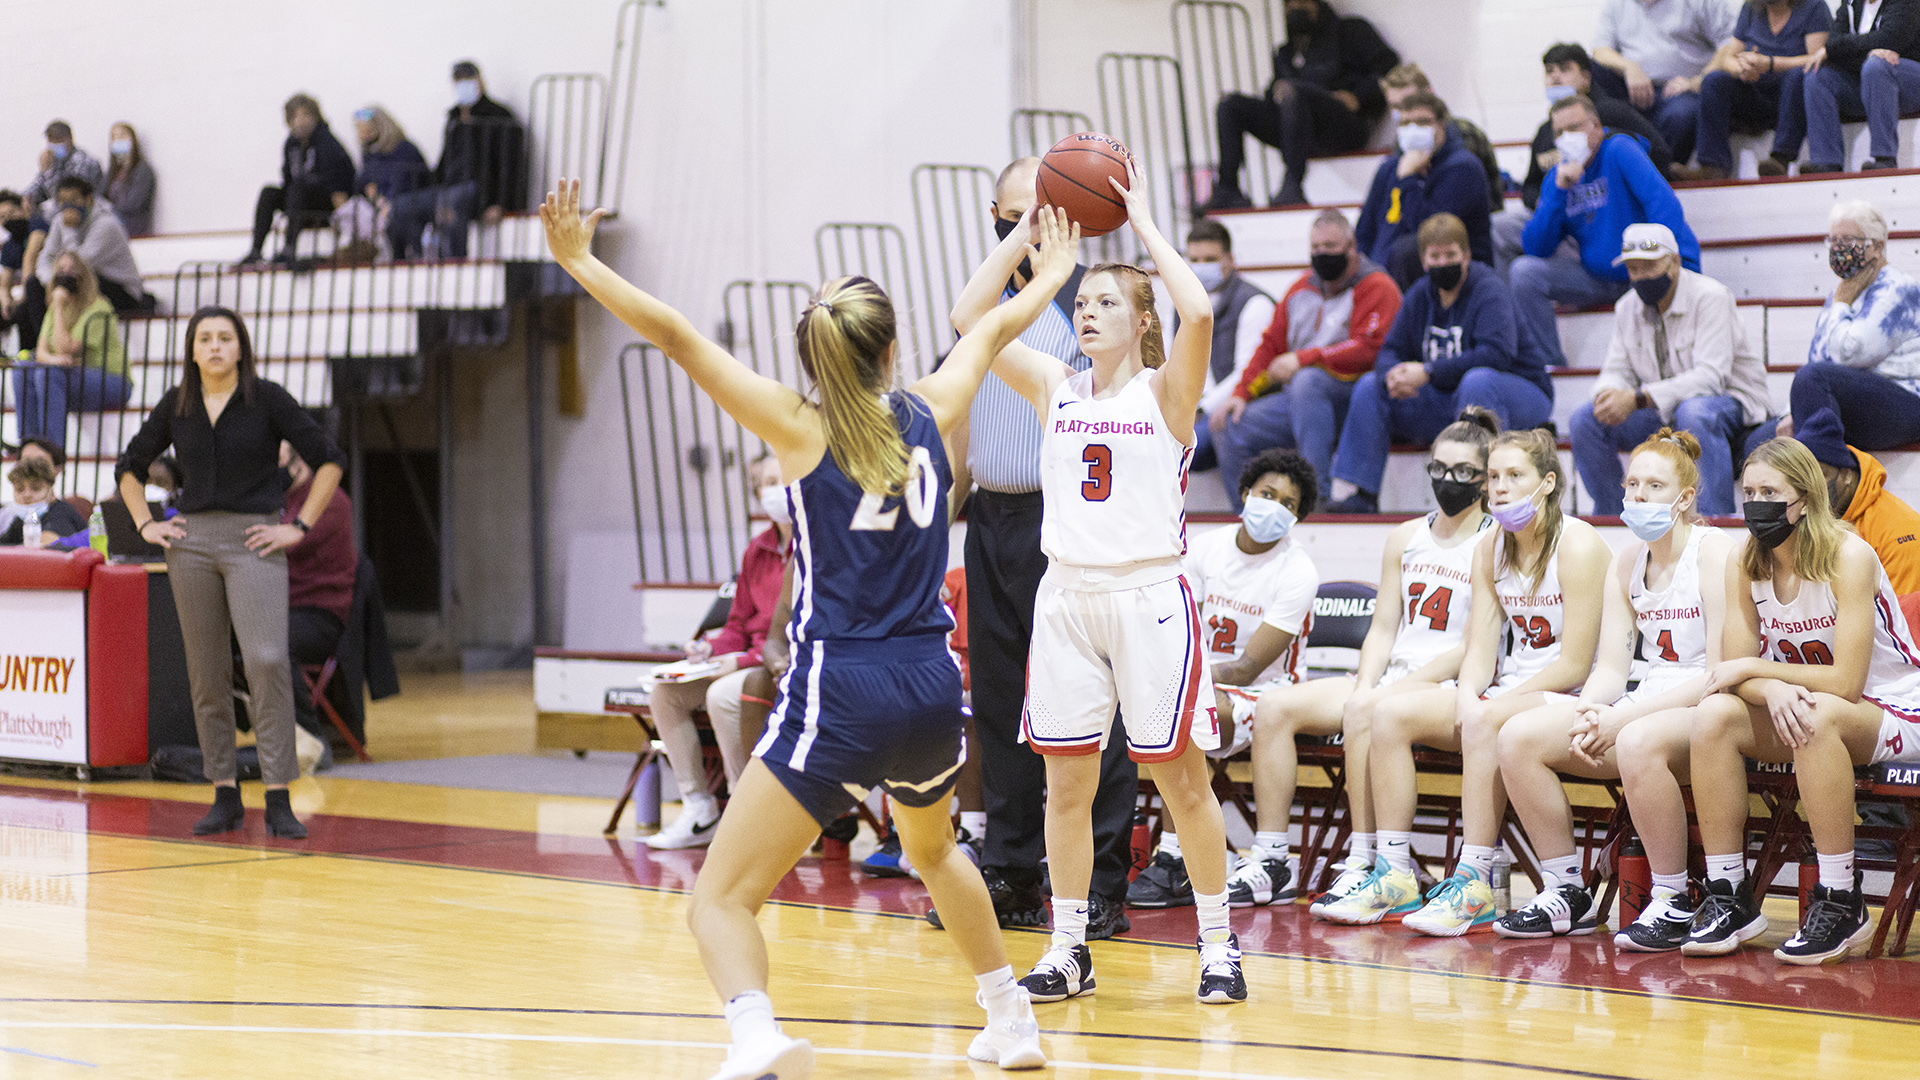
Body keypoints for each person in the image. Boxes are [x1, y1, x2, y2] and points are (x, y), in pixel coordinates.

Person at [546, 179, 1073, 1077]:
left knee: (719, 896)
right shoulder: (933, 408)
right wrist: (1047, 260)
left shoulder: (797, 428)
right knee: (936, 850)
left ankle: (755, 1034)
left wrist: (579, 259)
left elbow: (675, 337)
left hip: (843, 690)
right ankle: (1009, 1015)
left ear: (817, 357)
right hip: (931, 687)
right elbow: (990, 327)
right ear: (891, 346)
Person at [957, 161, 1247, 1006]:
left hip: (1149, 599)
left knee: (1181, 779)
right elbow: (968, 318)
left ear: (1140, 319)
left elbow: (1198, 309)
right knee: (1067, 782)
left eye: (1105, 301)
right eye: (1081, 305)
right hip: (1067, 600)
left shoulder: (1168, 393)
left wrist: (1145, 219)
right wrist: (1037, 248)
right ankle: (1070, 943)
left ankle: (1220, 944)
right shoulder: (1054, 386)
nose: (1086, 311)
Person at [926, 157, 1139, 940]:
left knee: (1090, 710)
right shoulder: (990, 314)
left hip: (1071, 526)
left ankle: (1103, 883)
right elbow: (958, 427)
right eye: (1016, 218)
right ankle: (1010, 874)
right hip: (991, 517)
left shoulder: (1089, 311)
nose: (1029, 233)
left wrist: (1059, 263)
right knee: (1001, 706)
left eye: (1047, 217)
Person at [1323, 429, 1610, 933]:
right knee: (1389, 713)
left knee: (1483, 718)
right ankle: (1394, 874)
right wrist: (1467, 692)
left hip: (1574, 695)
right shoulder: (1491, 547)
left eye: (1514, 476)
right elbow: (1479, 648)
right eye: (1494, 476)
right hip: (1515, 692)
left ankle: (1474, 878)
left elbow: (1576, 664)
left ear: (1546, 483)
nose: (1499, 487)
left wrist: (1488, 704)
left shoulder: (1579, 543)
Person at [114, 306, 348, 843]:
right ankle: (224, 792)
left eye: (225, 338)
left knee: (267, 661)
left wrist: (299, 526)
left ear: (240, 347)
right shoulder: (176, 406)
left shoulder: (267, 398)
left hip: (254, 540)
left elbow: (329, 459)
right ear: (192, 350)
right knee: (207, 671)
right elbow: (129, 465)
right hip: (191, 544)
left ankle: (278, 794)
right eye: (205, 339)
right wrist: (146, 523)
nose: (215, 346)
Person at [1685, 437, 1920, 964]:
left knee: (1813, 717)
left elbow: (1846, 684)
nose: (1756, 503)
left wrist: (1757, 670)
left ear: (1807, 499)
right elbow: (1733, 676)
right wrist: (1766, 685)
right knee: (1713, 716)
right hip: (1813, 709)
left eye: (1770, 491)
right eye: (1748, 491)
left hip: (1895, 706)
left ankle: (1841, 897)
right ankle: (1730, 893)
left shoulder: (1848, 555)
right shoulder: (1746, 562)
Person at [1494, 431, 1733, 943]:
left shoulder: (1715, 553)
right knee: (1518, 737)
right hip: (1642, 703)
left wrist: (1620, 718)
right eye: (1631, 485)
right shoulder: (1626, 562)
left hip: (1706, 709)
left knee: (1634, 739)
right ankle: (1565, 892)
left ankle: (1672, 899)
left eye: (1654, 485)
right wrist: (1589, 710)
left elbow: (1717, 674)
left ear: (1685, 497)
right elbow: (1610, 666)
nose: (1639, 496)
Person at [1260, 411, 1497, 919]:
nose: (1446, 481)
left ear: (1483, 480)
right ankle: (1271, 859)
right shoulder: (1405, 536)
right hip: (1394, 676)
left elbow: (1479, 644)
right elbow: (1384, 626)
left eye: (1461, 472)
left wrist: (1390, 690)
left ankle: (1368, 862)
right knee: (1275, 708)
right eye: (1438, 468)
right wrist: (1367, 682)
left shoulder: (1494, 543)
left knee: (1372, 711)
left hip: (1453, 682)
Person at [1128, 448, 1322, 910]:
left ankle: (1176, 856)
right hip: (1199, 684)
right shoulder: (1206, 549)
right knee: (1157, 706)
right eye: (1267, 494)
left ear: (1297, 518)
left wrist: (1177, 683)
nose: (1275, 507)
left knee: (1189, 711)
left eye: (1289, 504)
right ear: (1245, 493)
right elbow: (1172, 630)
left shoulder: (1298, 571)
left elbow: (1247, 668)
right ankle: (1131, 847)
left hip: (1265, 696)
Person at [1323, 214, 1550, 515]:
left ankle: (1481, 491)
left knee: (1477, 380)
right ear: (1424, 260)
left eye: (1451, 255)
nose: (1443, 263)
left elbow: (1496, 354)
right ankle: (1361, 493)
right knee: (1370, 386)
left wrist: (1428, 372)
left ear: (1466, 256)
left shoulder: (1489, 289)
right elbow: (1389, 349)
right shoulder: (1420, 295)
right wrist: (1394, 374)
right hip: (1450, 401)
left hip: (1518, 395)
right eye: (1435, 256)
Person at [644, 455, 792, 851]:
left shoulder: (815, 548)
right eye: (767, 483)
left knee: (721, 694)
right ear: (758, 494)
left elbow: (798, 633)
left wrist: (740, 661)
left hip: (780, 666)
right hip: (744, 660)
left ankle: (746, 814)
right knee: (665, 693)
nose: (776, 489)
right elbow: (738, 625)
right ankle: (699, 809)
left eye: (784, 479)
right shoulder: (755, 551)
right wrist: (710, 648)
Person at [1571, 223, 1769, 517]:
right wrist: (1607, 394)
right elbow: (1616, 368)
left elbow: (1711, 378)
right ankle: (1614, 518)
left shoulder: (1710, 296)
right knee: (1585, 420)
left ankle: (1713, 524)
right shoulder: (1627, 306)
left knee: (1693, 412)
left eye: (1648, 267)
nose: (1640, 277)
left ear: (1673, 263)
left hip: (1730, 402)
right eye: (1633, 269)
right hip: (1663, 410)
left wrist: (1638, 398)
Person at [1209, 210, 1400, 508]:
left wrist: (1305, 358)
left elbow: (1371, 350)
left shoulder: (1377, 286)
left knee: (1307, 380)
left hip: (1354, 400)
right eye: (1316, 249)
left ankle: (1315, 502)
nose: (1322, 255)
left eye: (1331, 248)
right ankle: (1249, 517)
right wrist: (1240, 393)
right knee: (1231, 423)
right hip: (1300, 401)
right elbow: (1269, 346)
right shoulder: (1299, 290)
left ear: (1351, 247)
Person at [1514, 94, 1701, 369]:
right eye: (1559, 133)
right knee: (1524, 273)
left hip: (1654, 268)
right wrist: (1558, 192)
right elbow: (1535, 247)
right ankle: (1550, 368)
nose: (1568, 137)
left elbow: (1665, 208)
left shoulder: (1619, 149)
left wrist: (1647, 259)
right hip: (1600, 278)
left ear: (1596, 127)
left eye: (1575, 128)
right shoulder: (1557, 177)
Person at [1199, 0, 1399, 211]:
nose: (1295, 8)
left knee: (1291, 91)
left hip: (1344, 127)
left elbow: (1389, 68)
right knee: (1230, 104)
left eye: (1302, 1)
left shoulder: (1350, 30)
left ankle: (1293, 184)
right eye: (1289, 4)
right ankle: (1228, 188)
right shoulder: (1287, 52)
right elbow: (1273, 97)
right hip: (1298, 129)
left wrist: (1358, 97)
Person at [1778, 200, 1920, 451]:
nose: (1838, 248)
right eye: (1833, 241)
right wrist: (1792, 411)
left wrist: (1842, 304)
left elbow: (1851, 354)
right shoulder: (1841, 292)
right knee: (1759, 441)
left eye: (1847, 240)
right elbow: (1817, 357)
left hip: (1903, 400)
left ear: (1877, 246)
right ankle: (1820, 468)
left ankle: (1825, 479)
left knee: (1813, 378)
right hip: (1852, 402)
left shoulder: (1898, 289)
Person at [388, 61, 528, 259]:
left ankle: (456, 264)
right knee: (402, 206)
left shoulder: (499, 117)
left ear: (480, 80)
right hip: (450, 185)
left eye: (468, 79)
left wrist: (501, 203)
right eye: (459, 80)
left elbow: (511, 165)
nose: (464, 85)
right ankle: (409, 259)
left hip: (481, 189)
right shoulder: (454, 118)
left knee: (450, 201)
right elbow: (445, 161)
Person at [1679, 0, 1832, 181]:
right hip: (1756, 90)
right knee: (1714, 81)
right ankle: (1713, 165)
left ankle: (1780, 159)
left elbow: (1816, 58)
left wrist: (1770, 64)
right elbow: (1729, 57)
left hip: (1792, 95)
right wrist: (1742, 69)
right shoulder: (1751, 8)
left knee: (1798, 75)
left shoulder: (1813, 6)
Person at [1517, 45, 1674, 217]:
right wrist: (1541, 201)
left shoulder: (1612, 112)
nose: (1555, 76)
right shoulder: (1543, 132)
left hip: (1611, 211)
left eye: (1564, 69)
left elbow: (1659, 153)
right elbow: (1530, 186)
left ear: (1585, 78)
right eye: (1549, 71)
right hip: (1560, 217)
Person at [1354, 92, 1492, 288]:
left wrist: (1408, 179)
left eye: (1422, 122)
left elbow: (1434, 234)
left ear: (1441, 124)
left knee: (1406, 251)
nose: (1413, 130)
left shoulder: (1464, 168)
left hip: (1448, 274)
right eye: (1405, 123)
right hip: (1385, 273)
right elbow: (1364, 231)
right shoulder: (1389, 168)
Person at [1590, 0, 1739, 165]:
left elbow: (1730, 43)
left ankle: (1661, 169)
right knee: (1591, 70)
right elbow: (1600, 50)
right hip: (1632, 88)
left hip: (1682, 91)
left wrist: (1697, 80)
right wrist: (1629, 67)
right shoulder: (1617, 5)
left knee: (1682, 114)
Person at [1793, 406, 1920, 595]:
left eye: (1820, 477)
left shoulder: (1899, 532)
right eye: (1800, 481)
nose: (1811, 489)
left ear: (1846, 475)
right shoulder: (1795, 518)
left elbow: (1905, 617)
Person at [279, 441, 357, 745]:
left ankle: (308, 737)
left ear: (300, 461)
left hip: (319, 616)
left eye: (279, 459)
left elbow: (284, 541)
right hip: (286, 609)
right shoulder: (285, 499)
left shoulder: (328, 501)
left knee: (273, 643)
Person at [12, 251, 130, 450]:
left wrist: (57, 305)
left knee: (48, 376)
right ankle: (29, 448)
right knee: (22, 370)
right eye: (60, 270)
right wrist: (56, 361)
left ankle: (53, 453)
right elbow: (41, 352)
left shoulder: (98, 308)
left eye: (71, 270)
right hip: (70, 379)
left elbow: (66, 349)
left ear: (84, 277)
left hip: (111, 381)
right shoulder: (55, 309)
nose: (65, 275)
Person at [1185, 219, 1275, 474]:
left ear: (1230, 259)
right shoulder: (1182, 304)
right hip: (1196, 407)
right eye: (1195, 260)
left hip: (1242, 406)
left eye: (1210, 259)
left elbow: (1246, 372)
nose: (1201, 267)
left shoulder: (1255, 303)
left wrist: (1200, 408)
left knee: (1175, 448)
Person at [1801, 0, 1920, 173]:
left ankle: (1884, 158)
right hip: (1869, 81)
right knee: (1817, 74)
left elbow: (1889, 40)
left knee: (1877, 65)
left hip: (1908, 79)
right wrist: (1864, 50)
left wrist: (1845, 50)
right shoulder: (1850, 3)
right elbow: (1831, 43)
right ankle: (1826, 162)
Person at [243, 94, 356, 265]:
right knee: (269, 192)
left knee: (298, 188)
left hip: (325, 204)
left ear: (315, 117)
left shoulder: (326, 141)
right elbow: (287, 179)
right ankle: (256, 250)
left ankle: (289, 248)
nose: (300, 121)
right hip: (298, 202)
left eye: (305, 115)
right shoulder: (291, 144)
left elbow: (338, 182)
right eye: (295, 117)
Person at [1380, 65, 1506, 217]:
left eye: (1410, 101)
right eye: (1395, 106)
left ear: (1429, 94)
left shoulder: (1463, 133)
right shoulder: (1400, 143)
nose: (1403, 111)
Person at [36, 176, 151, 313]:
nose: (68, 206)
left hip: (121, 290)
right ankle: (46, 334)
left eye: (73, 200)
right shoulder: (59, 221)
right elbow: (46, 257)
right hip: (86, 281)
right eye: (63, 201)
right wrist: (50, 281)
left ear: (88, 200)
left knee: (72, 280)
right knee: (33, 288)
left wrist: (69, 230)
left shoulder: (107, 224)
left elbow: (79, 264)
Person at [0, 456, 83, 547]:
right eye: (20, 489)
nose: (27, 495)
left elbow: (45, 545)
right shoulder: (22, 520)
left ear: (51, 490)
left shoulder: (60, 513)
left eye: (36, 488)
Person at [352, 106, 429, 203]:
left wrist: (383, 201)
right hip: (382, 205)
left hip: (408, 204)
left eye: (369, 131)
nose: (365, 136)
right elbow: (365, 179)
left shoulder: (404, 149)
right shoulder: (370, 152)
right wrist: (368, 187)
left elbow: (401, 185)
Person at [22, 121, 105, 209]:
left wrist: (47, 172)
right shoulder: (53, 160)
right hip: (61, 209)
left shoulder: (84, 161)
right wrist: (27, 198)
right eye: (51, 140)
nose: (54, 144)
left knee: (47, 208)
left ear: (70, 139)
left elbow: (64, 196)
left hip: (85, 208)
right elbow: (38, 184)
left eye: (58, 139)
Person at [105, 123, 157, 237]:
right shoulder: (113, 171)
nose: (118, 140)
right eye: (114, 137)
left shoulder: (142, 169)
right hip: (113, 228)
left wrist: (110, 210)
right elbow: (101, 196)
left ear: (133, 139)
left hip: (133, 228)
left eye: (122, 136)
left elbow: (134, 203)